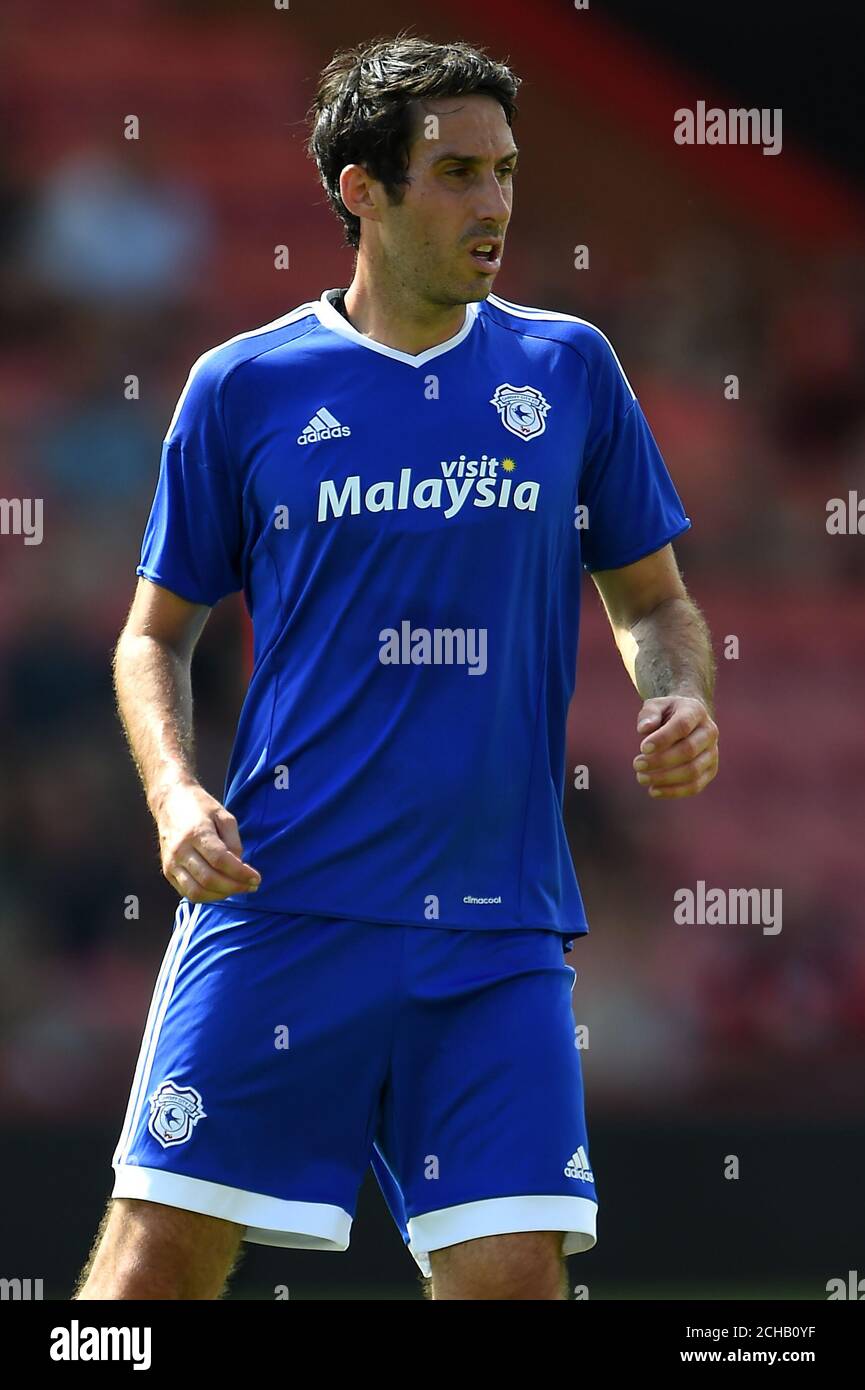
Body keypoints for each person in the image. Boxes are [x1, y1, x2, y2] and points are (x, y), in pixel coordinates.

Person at [75, 34, 718, 1302]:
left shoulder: (568, 369)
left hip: (496, 928)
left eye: (508, 173)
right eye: (459, 173)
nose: (495, 207)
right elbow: (154, 633)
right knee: (153, 1274)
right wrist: (172, 794)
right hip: (284, 903)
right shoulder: (241, 387)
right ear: (362, 190)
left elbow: (657, 603)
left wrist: (678, 687)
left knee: (512, 1281)